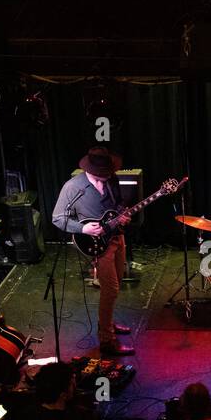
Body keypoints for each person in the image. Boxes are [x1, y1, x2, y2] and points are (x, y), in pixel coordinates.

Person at [51, 148, 135, 357]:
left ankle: (107, 323)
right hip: (96, 243)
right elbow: (58, 218)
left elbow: (118, 204)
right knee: (111, 289)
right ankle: (106, 340)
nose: (107, 177)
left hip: (117, 237)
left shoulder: (111, 179)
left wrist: (123, 214)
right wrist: (83, 228)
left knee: (117, 282)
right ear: (91, 170)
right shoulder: (73, 187)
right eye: (103, 174)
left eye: (109, 173)